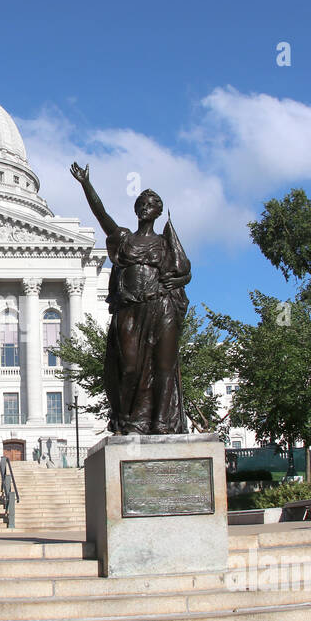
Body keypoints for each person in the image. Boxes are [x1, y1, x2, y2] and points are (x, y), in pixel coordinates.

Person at [70, 162, 191, 434]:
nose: (145, 207)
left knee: (163, 367)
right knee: (129, 367)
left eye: (151, 204)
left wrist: (181, 280)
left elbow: (183, 271)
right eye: (142, 203)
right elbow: (103, 217)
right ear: (136, 209)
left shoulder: (165, 242)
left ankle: (160, 421)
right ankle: (131, 420)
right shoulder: (124, 239)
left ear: (158, 211)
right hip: (130, 310)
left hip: (160, 306)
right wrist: (86, 184)